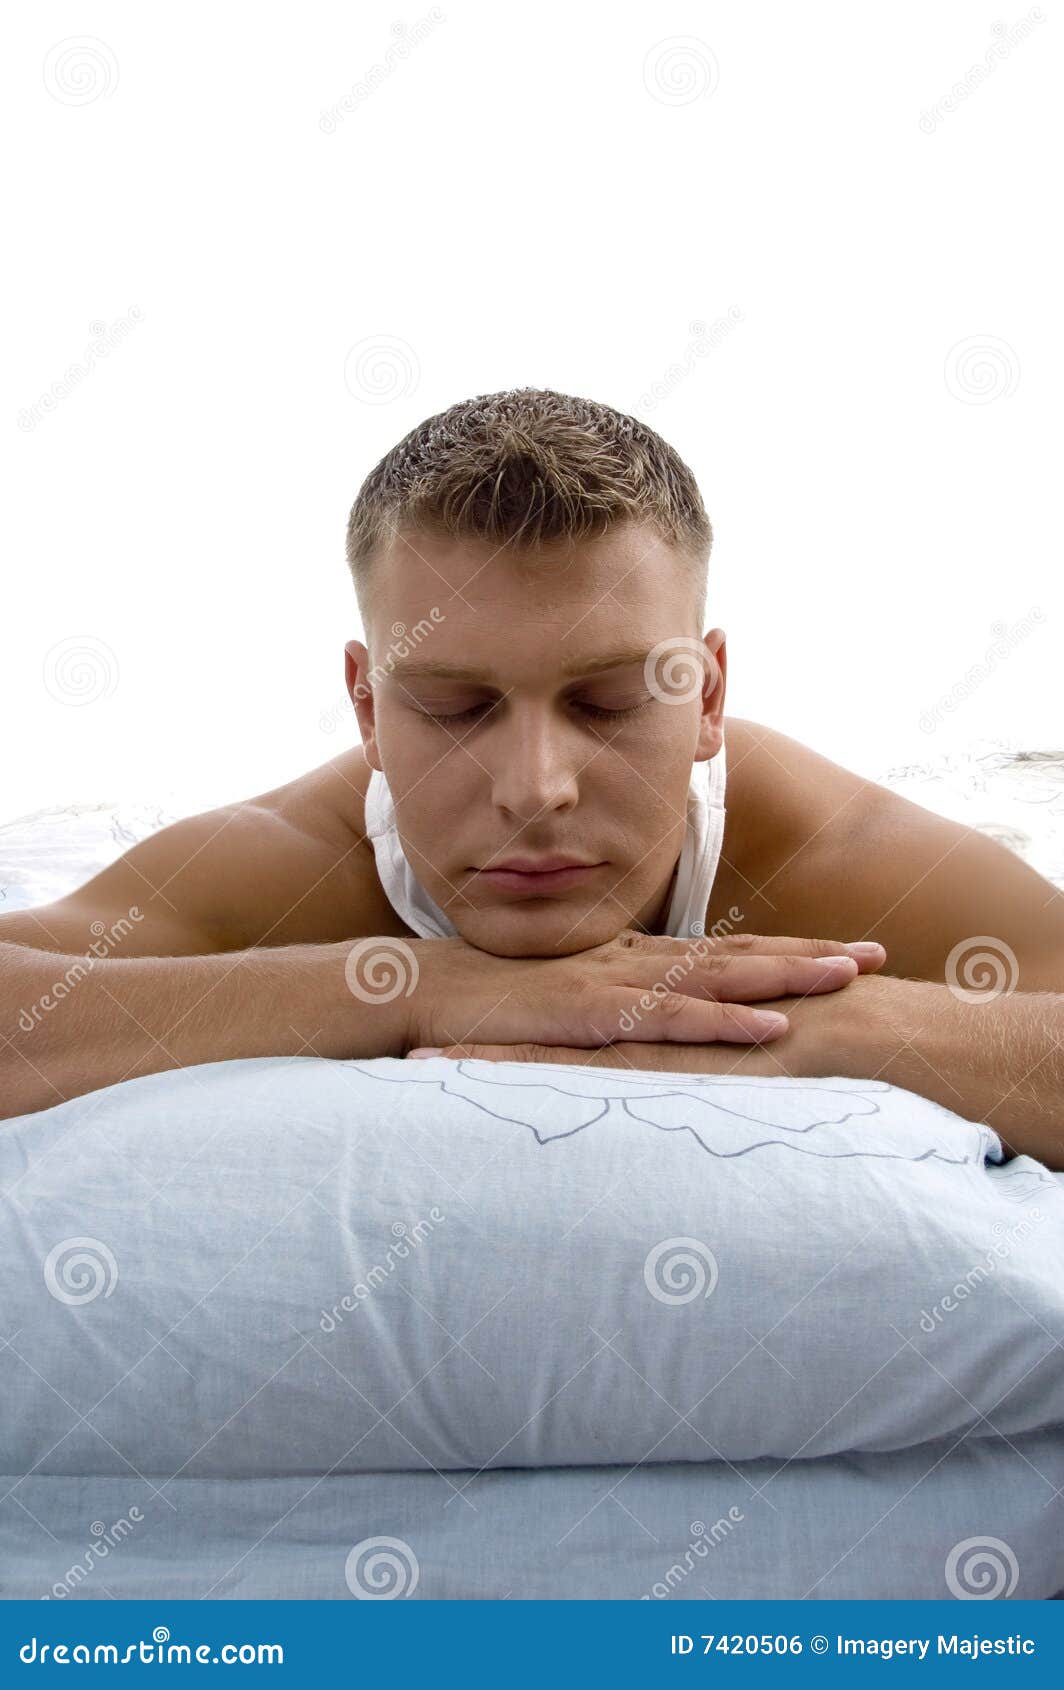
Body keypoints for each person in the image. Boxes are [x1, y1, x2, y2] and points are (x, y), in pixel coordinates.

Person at [3, 389, 1063, 1168]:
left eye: (606, 703)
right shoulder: (287, 866)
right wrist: (414, 988)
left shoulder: (829, 865)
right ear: (367, 708)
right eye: (455, 710)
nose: (533, 788)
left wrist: (819, 1028)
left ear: (704, 698)